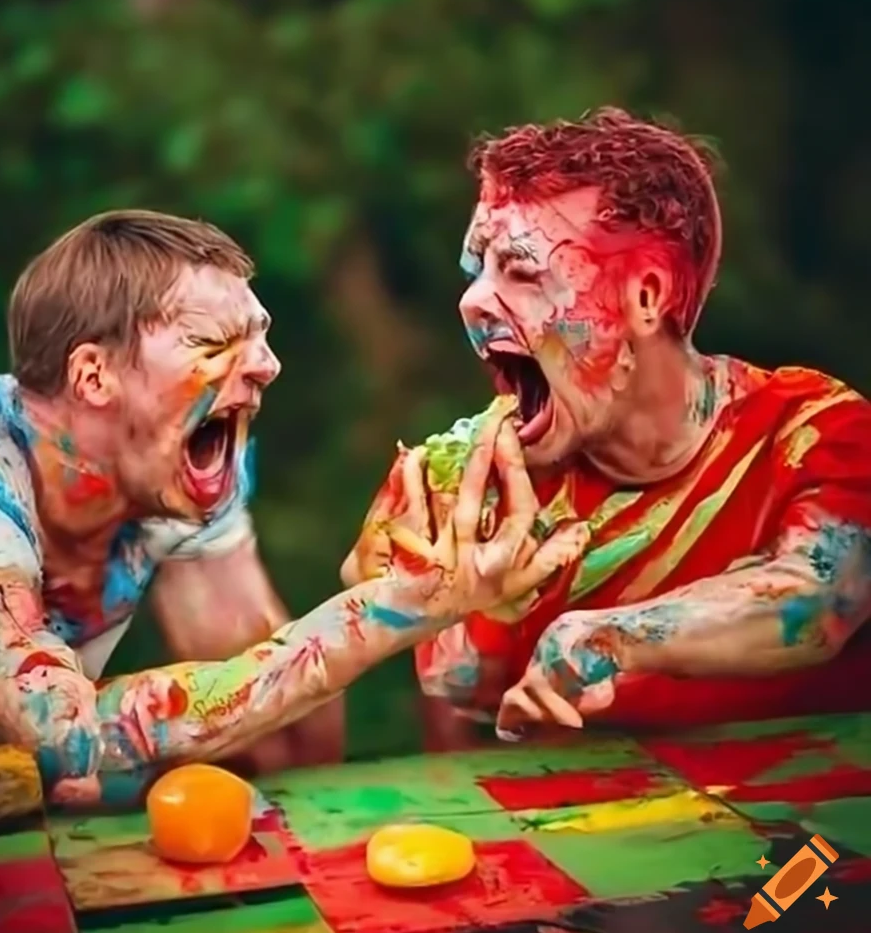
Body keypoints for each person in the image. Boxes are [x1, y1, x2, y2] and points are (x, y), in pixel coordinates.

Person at [0, 210, 538, 805]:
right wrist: (396, 608)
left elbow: (276, 721)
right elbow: (66, 738)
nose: (267, 365)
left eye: (260, 336)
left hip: (1, 821)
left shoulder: (176, 460)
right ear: (93, 375)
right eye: (215, 342)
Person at [342, 107, 871, 750]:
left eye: (521, 270)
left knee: (804, 860)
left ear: (646, 298)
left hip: (809, 829)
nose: (474, 301)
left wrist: (609, 637)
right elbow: (460, 706)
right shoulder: (481, 487)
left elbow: (817, 604)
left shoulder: (814, 430)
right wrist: (401, 602)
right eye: (476, 269)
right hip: (582, 833)